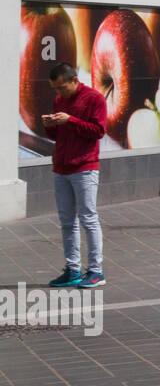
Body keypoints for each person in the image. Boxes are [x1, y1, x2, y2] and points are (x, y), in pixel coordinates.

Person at [42, 62, 108, 289]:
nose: (59, 93)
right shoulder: (60, 100)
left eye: (61, 87)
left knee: (88, 218)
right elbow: (56, 136)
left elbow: (98, 131)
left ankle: (96, 271)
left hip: (84, 167)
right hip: (61, 167)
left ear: (74, 80)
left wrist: (70, 120)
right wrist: (49, 125)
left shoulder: (94, 99)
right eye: (55, 89)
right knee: (66, 221)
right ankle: (72, 269)